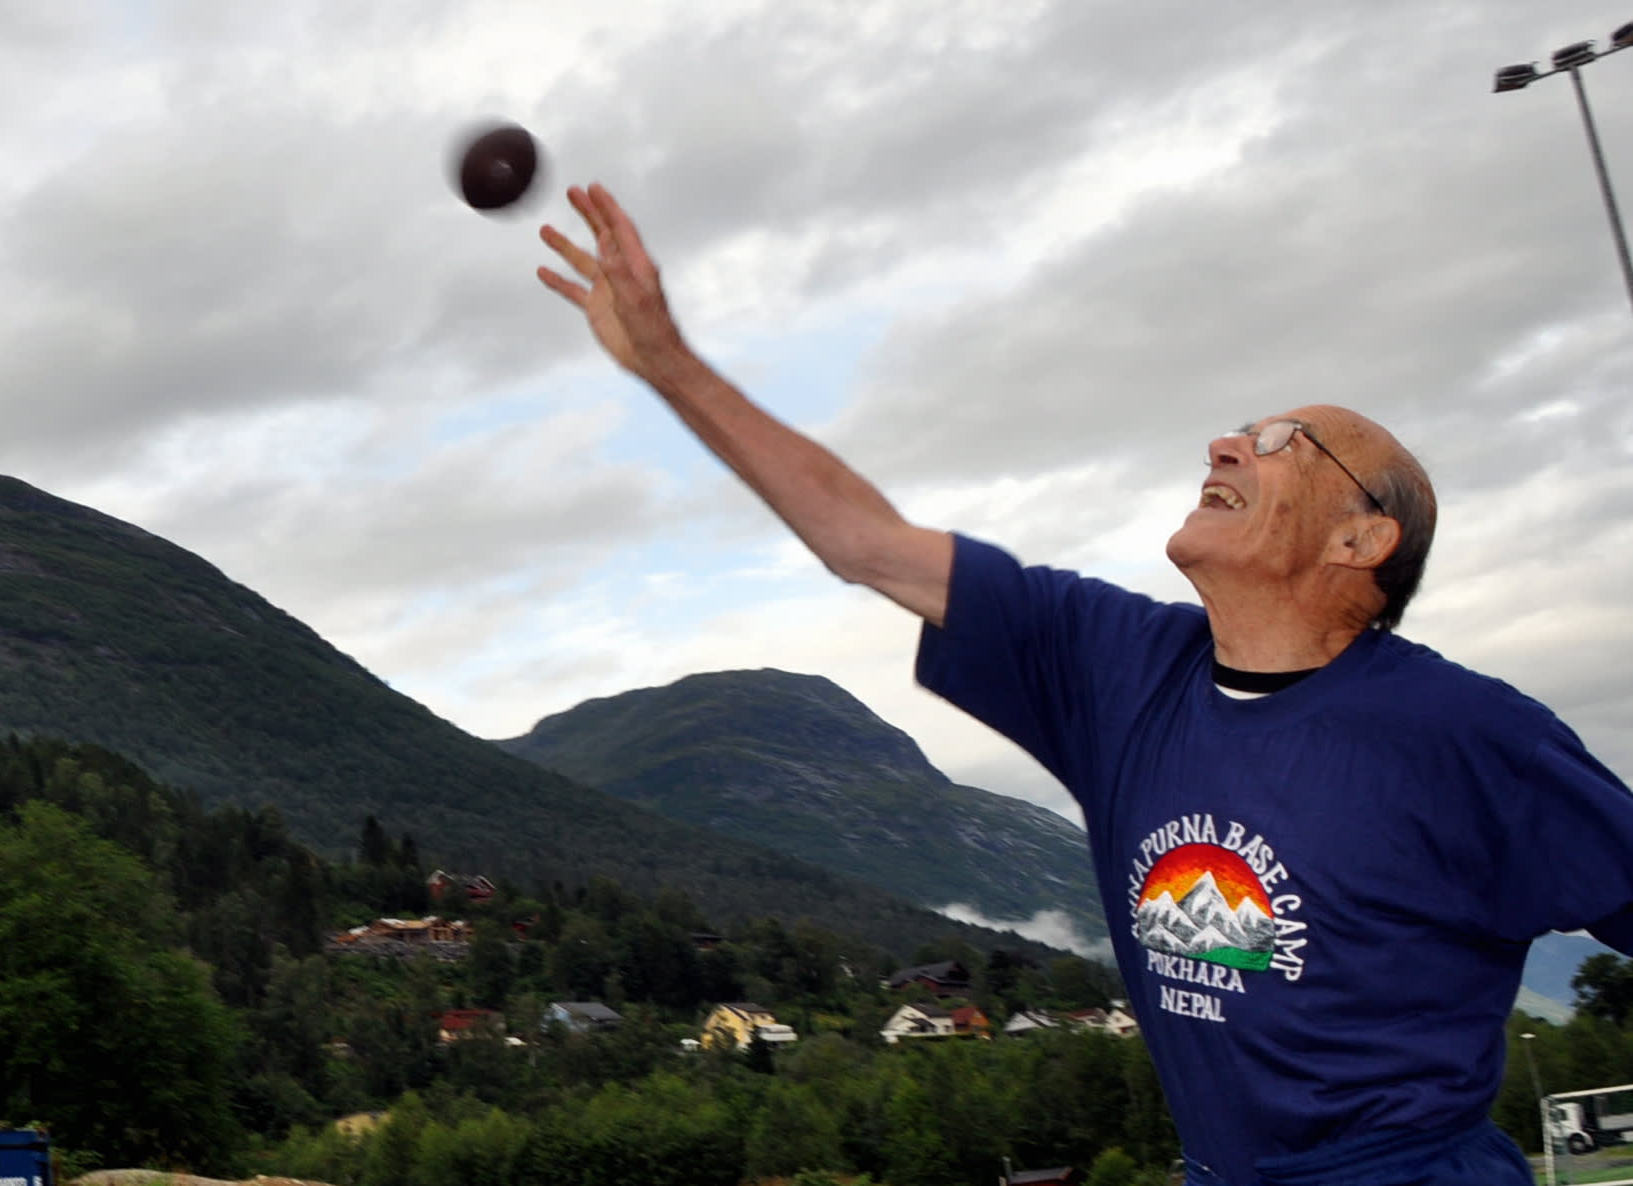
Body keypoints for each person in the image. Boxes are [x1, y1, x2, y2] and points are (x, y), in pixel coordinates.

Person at [537, 183, 1633, 1186]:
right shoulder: (1112, 662)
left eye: (1276, 440)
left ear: (1361, 538)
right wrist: (669, 362)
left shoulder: (1465, 734)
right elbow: (863, 541)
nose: (1226, 442)